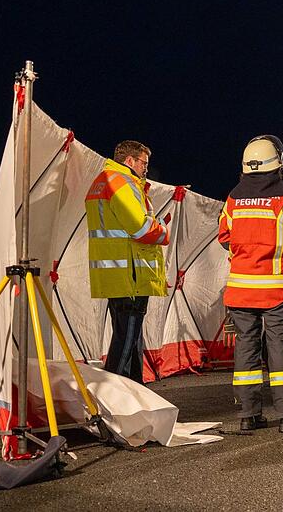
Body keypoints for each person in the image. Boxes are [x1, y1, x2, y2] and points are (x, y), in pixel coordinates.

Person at [218, 135, 283, 433]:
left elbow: (224, 237)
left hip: (240, 291)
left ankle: (248, 415)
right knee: (279, 349)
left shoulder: (233, 200)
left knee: (245, 349)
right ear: (278, 164)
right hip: (274, 292)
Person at [85, 140, 170, 384]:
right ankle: (114, 389)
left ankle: (135, 386)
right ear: (130, 161)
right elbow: (140, 227)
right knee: (126, 336)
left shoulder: (101, 182)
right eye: (144, 163)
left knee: (130, 334)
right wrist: (163, 230)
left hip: (116, 272)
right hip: (130, 273)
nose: (146, 168)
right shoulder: (121, 183)